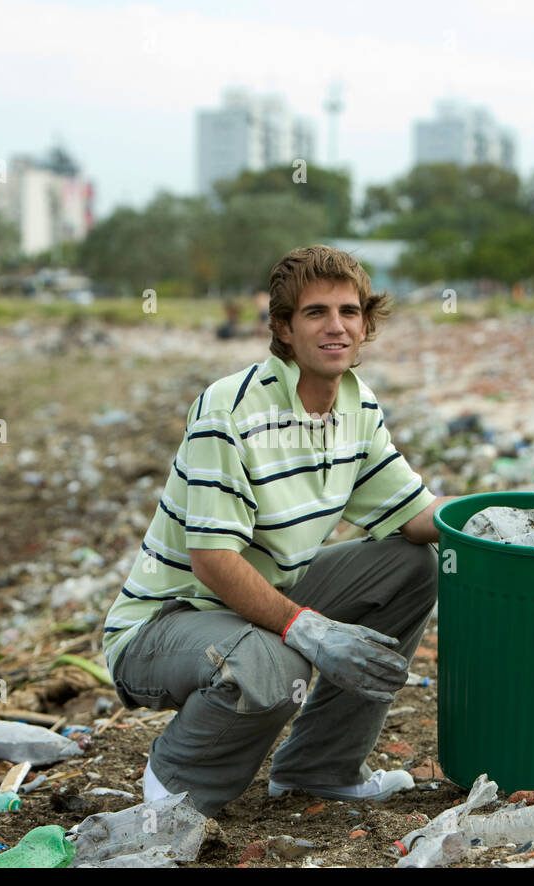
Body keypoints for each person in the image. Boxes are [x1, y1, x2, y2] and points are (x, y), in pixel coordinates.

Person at [102, 245, 452, 817]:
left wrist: (514, 508)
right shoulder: (230, 409)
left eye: (349, 311)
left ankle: (321, 769)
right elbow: (212, 561)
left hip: (256, 604)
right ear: (284, 328)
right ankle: (173, 794)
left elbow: (415, 515)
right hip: (165, 625)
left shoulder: (357, 407)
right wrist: (309, 630)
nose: (336, 326)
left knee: (409, 566)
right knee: (275, 663)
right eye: (316, 313)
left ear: (366, 324)